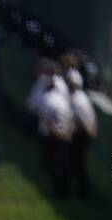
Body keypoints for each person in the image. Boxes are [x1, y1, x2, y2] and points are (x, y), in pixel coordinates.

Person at [37, 69, 74, 197]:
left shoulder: (47, 99)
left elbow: (49, 122)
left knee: (54, 164)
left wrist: (60, 135)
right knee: (64, 163)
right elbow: (70, 118)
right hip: (65, 135)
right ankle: (65, 188)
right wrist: (67, 134)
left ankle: (59, 190)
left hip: (53, 137)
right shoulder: (64, 100)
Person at [66, 68, 97, 198]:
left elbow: (81, 120)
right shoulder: (82, 96)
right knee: (79, 164)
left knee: (78, 164)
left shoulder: (76, 99)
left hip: (80, 135)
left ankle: (82, 191)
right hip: (84, 133)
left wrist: (89, 131)